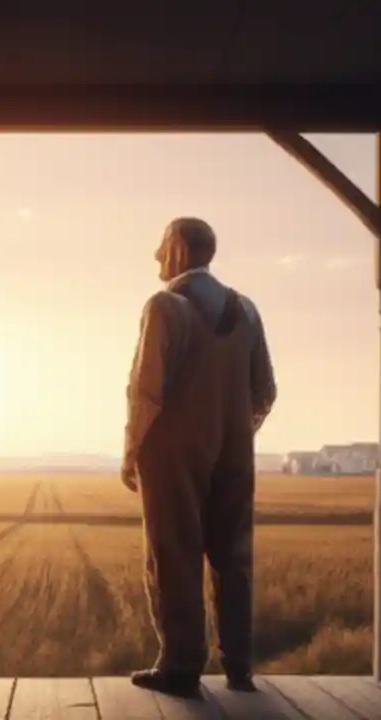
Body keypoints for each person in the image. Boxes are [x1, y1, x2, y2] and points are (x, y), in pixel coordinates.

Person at [121, 217, 276, 699]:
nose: (155, 255)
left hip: (171, 450)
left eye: (162, 243)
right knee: (234, 554)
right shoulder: (246, 309)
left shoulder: (164, 306)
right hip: (234, 449)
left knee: (173, 554)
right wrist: (232, 429)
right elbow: (265, 390)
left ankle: (182, 667)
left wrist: (132, 452)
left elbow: (146, 390)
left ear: (181, 250)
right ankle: (240, 666)